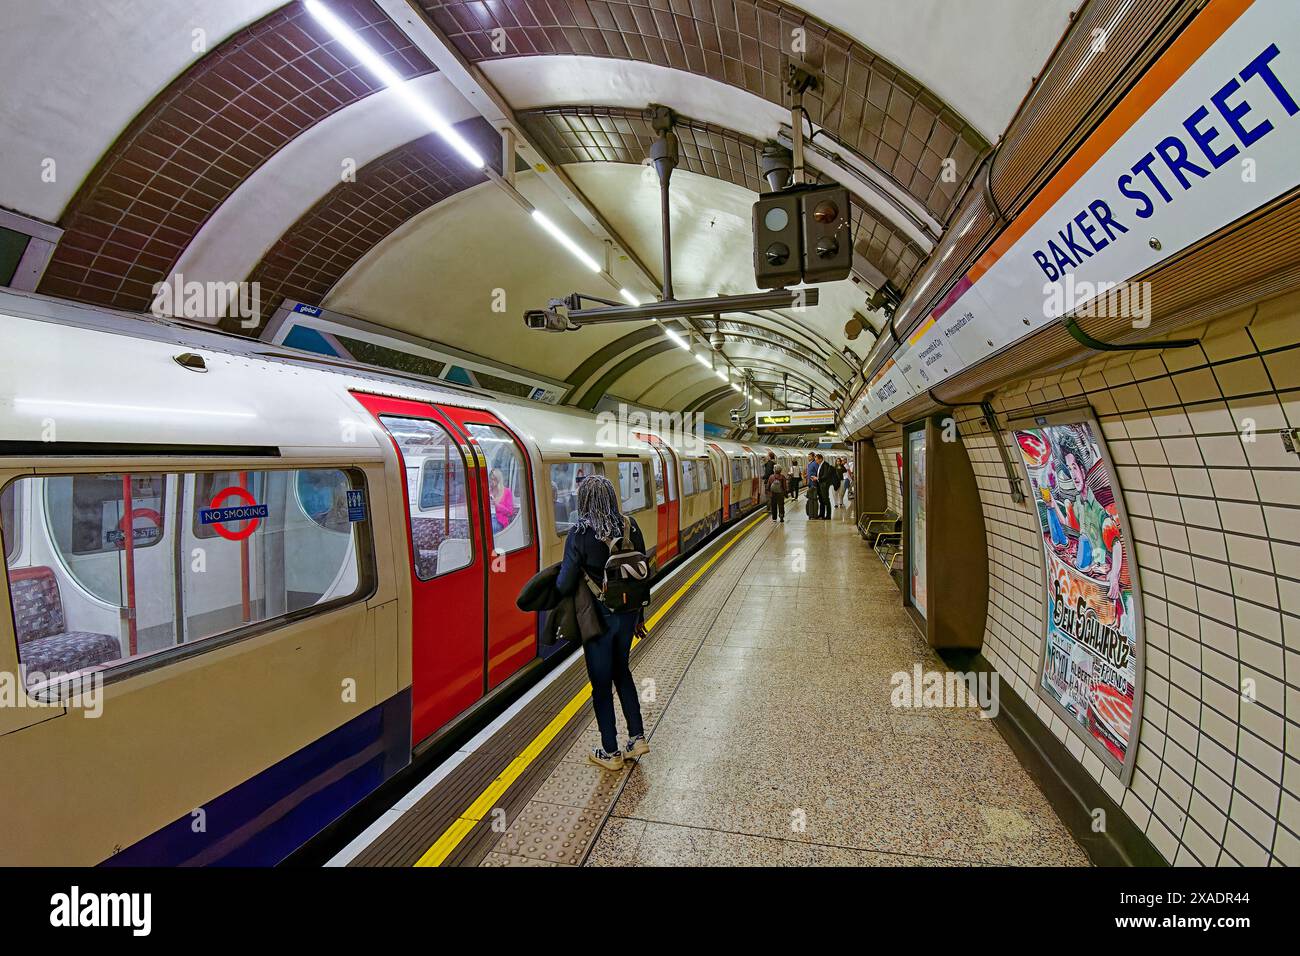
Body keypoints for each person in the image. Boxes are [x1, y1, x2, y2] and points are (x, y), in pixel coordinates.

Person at [556, 474, 649, 771]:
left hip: (598, 619)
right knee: (622, 671)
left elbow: (564, 583)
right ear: (611, 497)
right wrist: (639, 615)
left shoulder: (580, 532)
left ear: (583, 501)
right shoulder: (629, 524)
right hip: (628, 612)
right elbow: (641, 571)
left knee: (600, 684)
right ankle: (637, 738)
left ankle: (609, 751)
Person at [488, 467, 514, 531]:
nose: (492, 481)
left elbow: (510, 512)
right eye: (490, 479)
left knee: (492, 526)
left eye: (494, 479)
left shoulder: (507, 492)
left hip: (499, 520)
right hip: (487, 518)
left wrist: (497, 505)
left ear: (498, 480)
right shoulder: (488, 491)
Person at [815, 453, 834, 519]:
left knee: (826, 500)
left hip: (824, 485)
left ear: (820, 459)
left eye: (817, 460)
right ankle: (821, 514)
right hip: (820, 484)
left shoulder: (825, 465)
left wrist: (817, 478)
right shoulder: (820, 465)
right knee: (821, 500)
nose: (816, 461)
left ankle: (828, 515)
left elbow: (825, 476)